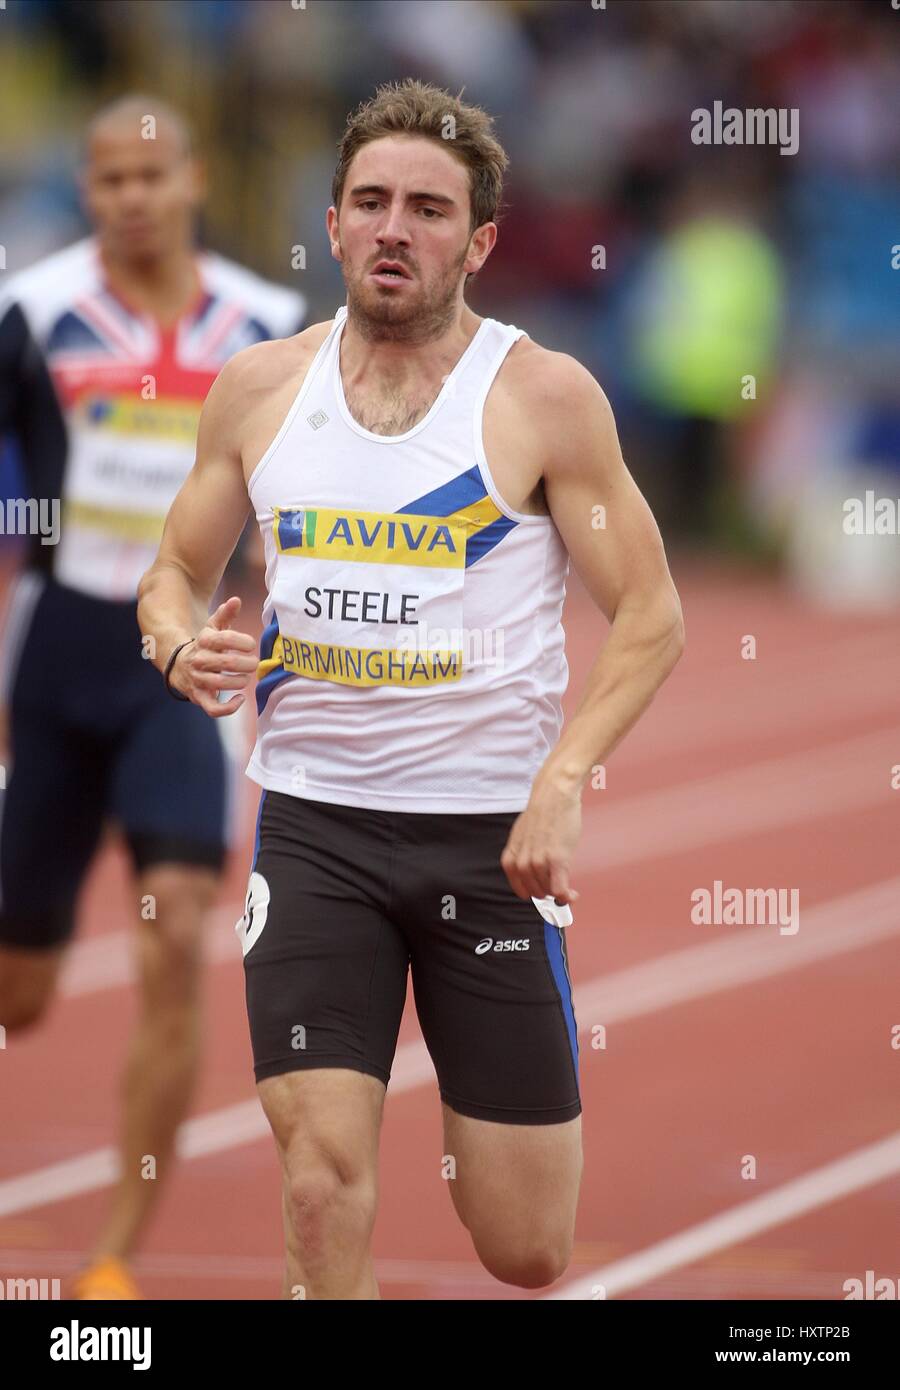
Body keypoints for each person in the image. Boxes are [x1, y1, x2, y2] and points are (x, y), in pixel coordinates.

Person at [137, 78, 684, 1299]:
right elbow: (172, 571)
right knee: (320, 1179)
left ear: (479, 242)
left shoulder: (543, 398)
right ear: (330, 224)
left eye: (429, 210)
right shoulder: (262, 389)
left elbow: (651, 613)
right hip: (315, 831)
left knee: (526, 1245)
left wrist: (561, 778)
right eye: (371, 202)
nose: (396, 228)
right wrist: (180, 644)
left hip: (486, 841)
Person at [0, 94, 306, 1300]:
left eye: (151, 176)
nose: (131, 197)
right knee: (19, 994)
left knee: (177, 931)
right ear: (88, 190)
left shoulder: (272, 328)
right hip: (65, 651)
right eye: (108, 178)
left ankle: (114, 1255)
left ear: (191, 182)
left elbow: (291, 523)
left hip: (192, 663)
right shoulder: (29, 312)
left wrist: (292, 655)